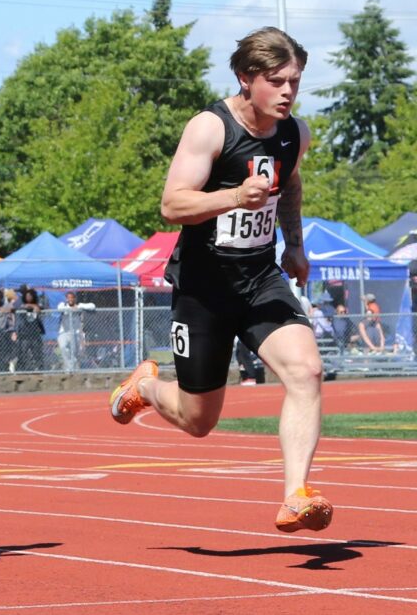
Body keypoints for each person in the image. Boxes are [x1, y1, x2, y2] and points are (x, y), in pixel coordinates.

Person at [109, 27, 332, 533]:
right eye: (276, 82)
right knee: (198, 421)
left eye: (295, 81)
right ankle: (146, 384)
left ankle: (296, 494)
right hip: (204, 289)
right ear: (245, 79)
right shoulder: (210, 129)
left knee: (307, 370)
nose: (288, 93)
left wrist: (294, 243)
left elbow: (290, 180)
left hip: (259, 278)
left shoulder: (294, 133)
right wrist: (233, 196)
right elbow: (172, 204)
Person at [15, 288, 45, 371]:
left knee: (37, 353)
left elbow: (41, 308)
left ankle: (40, 369)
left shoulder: (37, 303)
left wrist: (33, 306)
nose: (28, 297)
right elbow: (18, 308)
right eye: (27, 296)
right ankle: (21, 369)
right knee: (22, 353)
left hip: (35, 334)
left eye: (30, 296)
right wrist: (28, 306)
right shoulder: (21, 304)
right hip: (24, 334)